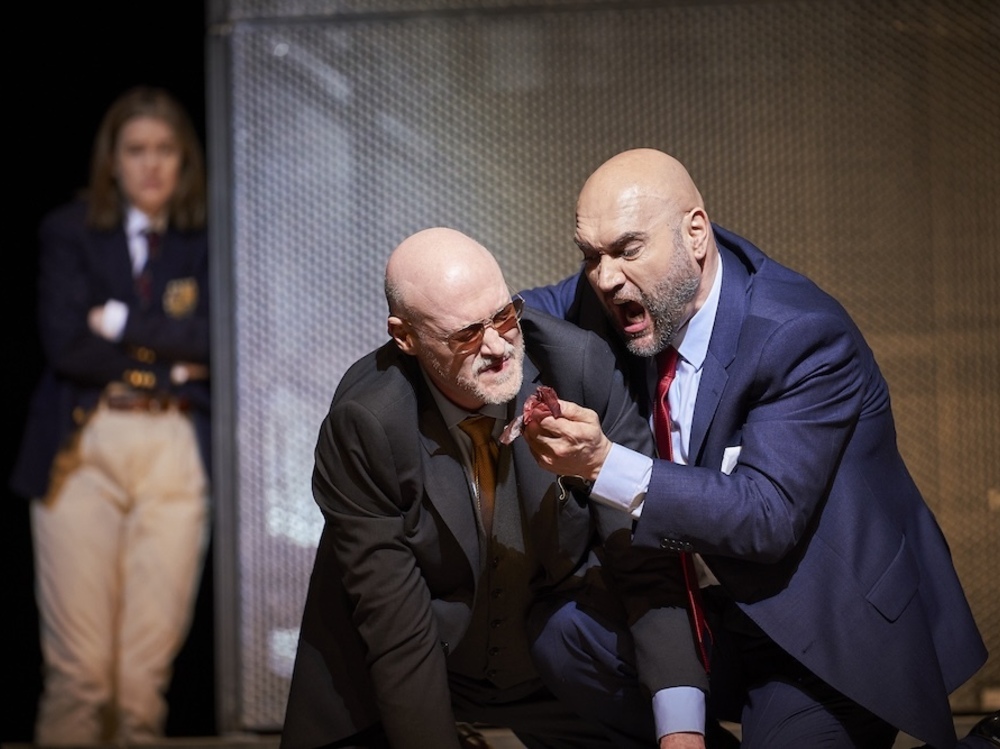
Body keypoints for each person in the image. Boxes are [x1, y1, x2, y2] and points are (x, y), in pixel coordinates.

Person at [517, 148, 991, 749]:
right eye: (591, 256)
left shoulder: (798, 334)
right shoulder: (621, 292)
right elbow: (528, 312)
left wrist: (604, 463)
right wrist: (450, 324)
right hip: (710, 614)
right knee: (565, 637)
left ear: (695, 234)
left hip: (820, 628)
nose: (605, 277)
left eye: (628, 250)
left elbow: (765, 518)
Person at [280, 227, 714, 749]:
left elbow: (643, 555)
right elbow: (394, 625)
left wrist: (681, 727)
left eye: (506, 316)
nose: (497, 347)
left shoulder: (579, 366)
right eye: (465, 335)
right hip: (415, 675)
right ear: (405, 337)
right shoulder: (367, 422)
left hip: (555, 669)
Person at [9, 86, 212, 745]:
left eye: (165, 150)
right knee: (81, 676)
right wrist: (166, 362)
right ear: (112, 162)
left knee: (139, 682)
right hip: (85, 445)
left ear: (185, 160)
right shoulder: (70, 231)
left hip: (176, 447)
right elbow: (66, 340)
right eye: (136, 151)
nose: (151, 165)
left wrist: (121, 321)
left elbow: (217, 338)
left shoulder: (207, 239)